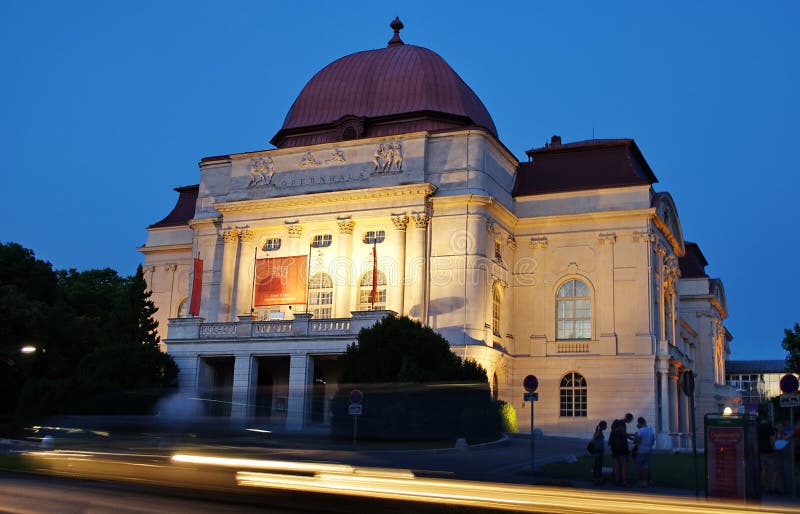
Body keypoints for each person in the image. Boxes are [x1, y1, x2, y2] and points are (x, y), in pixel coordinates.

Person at [633, 417, 655, 487]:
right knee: (646, 466)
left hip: (641, 450)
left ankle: (640, 481)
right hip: (648, 450)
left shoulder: (641, 430)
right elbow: (652, 440)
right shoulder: (650, 429)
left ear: (639, 423)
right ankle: (646, 481)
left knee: (639, 466)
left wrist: (635, 436)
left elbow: (638, 440)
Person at [609, 417, 630, 486]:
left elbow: (610, 442)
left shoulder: (612, 432)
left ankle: (617, 481)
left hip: (614, 449)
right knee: (624, 465)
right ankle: (624, 481)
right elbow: (625, 435)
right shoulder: (621, 431)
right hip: (622, 449)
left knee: (617, 466)